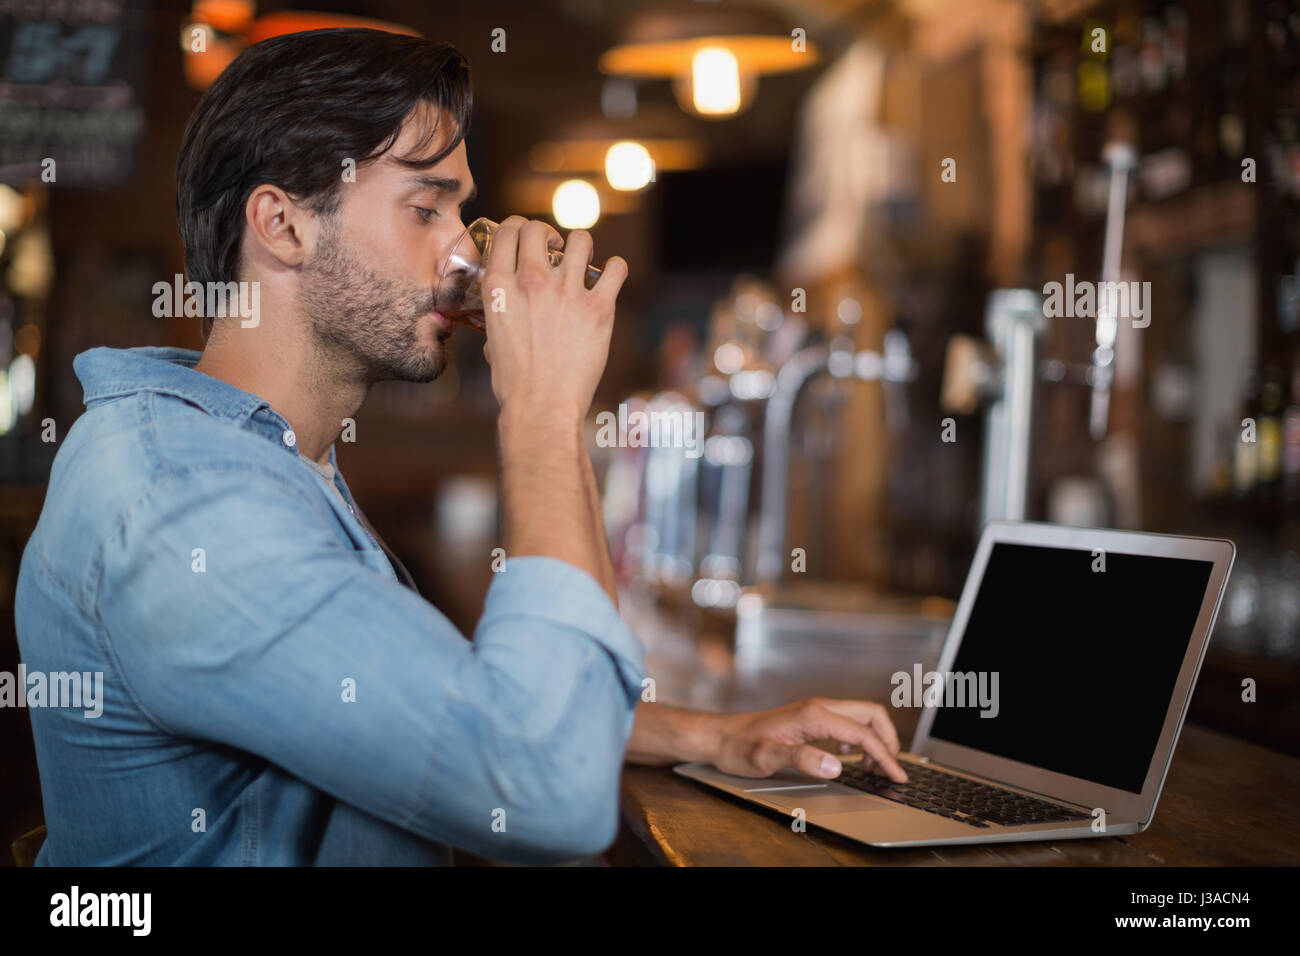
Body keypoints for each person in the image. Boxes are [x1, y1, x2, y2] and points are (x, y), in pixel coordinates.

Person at [14, 28, 904, 866]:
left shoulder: (249, 453)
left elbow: (426, 706)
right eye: (425, 206)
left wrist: (710, 735)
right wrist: (544, 406)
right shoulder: (187, 501)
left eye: (459, 211)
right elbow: (542, 789)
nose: (458, 254)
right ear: (284, 226)